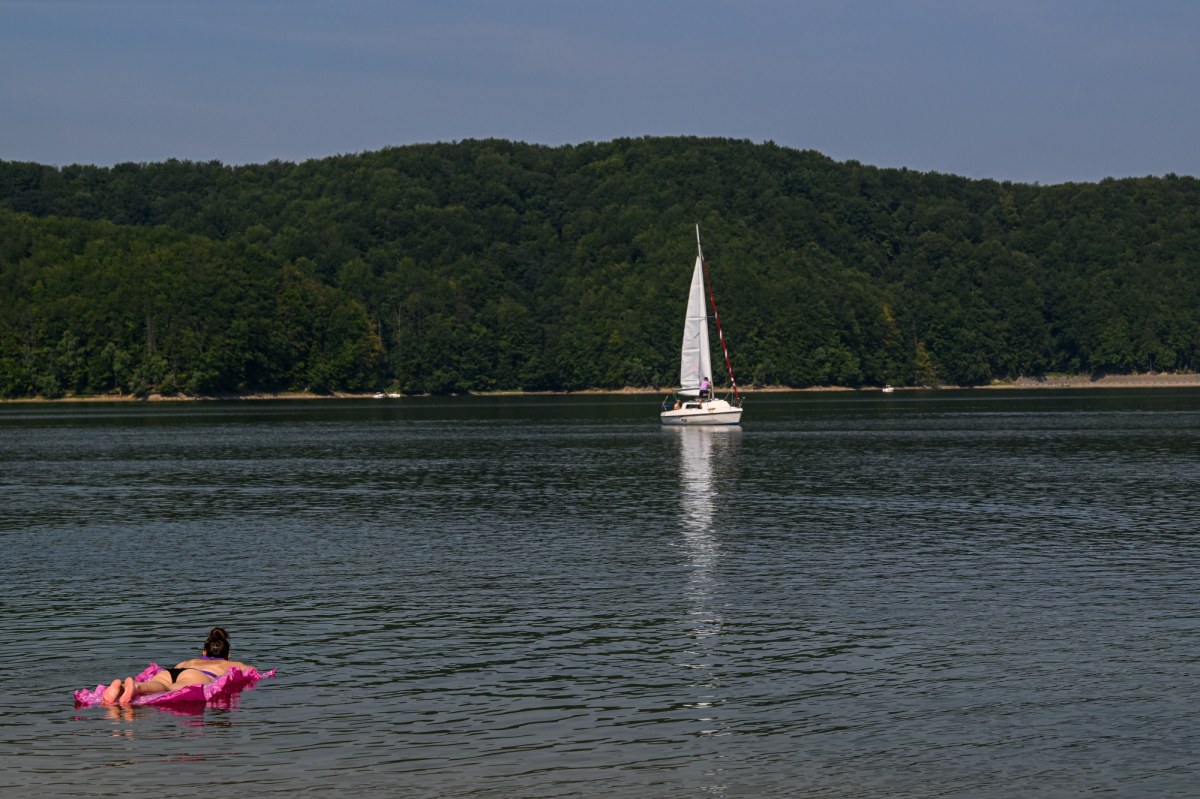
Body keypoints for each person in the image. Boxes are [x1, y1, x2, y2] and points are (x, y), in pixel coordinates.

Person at [99, 627, 259, 706]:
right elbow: (253, 672)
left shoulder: (189, 661)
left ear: (203, 652)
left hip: (174, 670)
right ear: (228, 655)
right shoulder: (232, 663)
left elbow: (178, 669)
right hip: (197, 675)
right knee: (169, 689)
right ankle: (135, 687)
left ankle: (131, 686)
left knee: (161, 684)